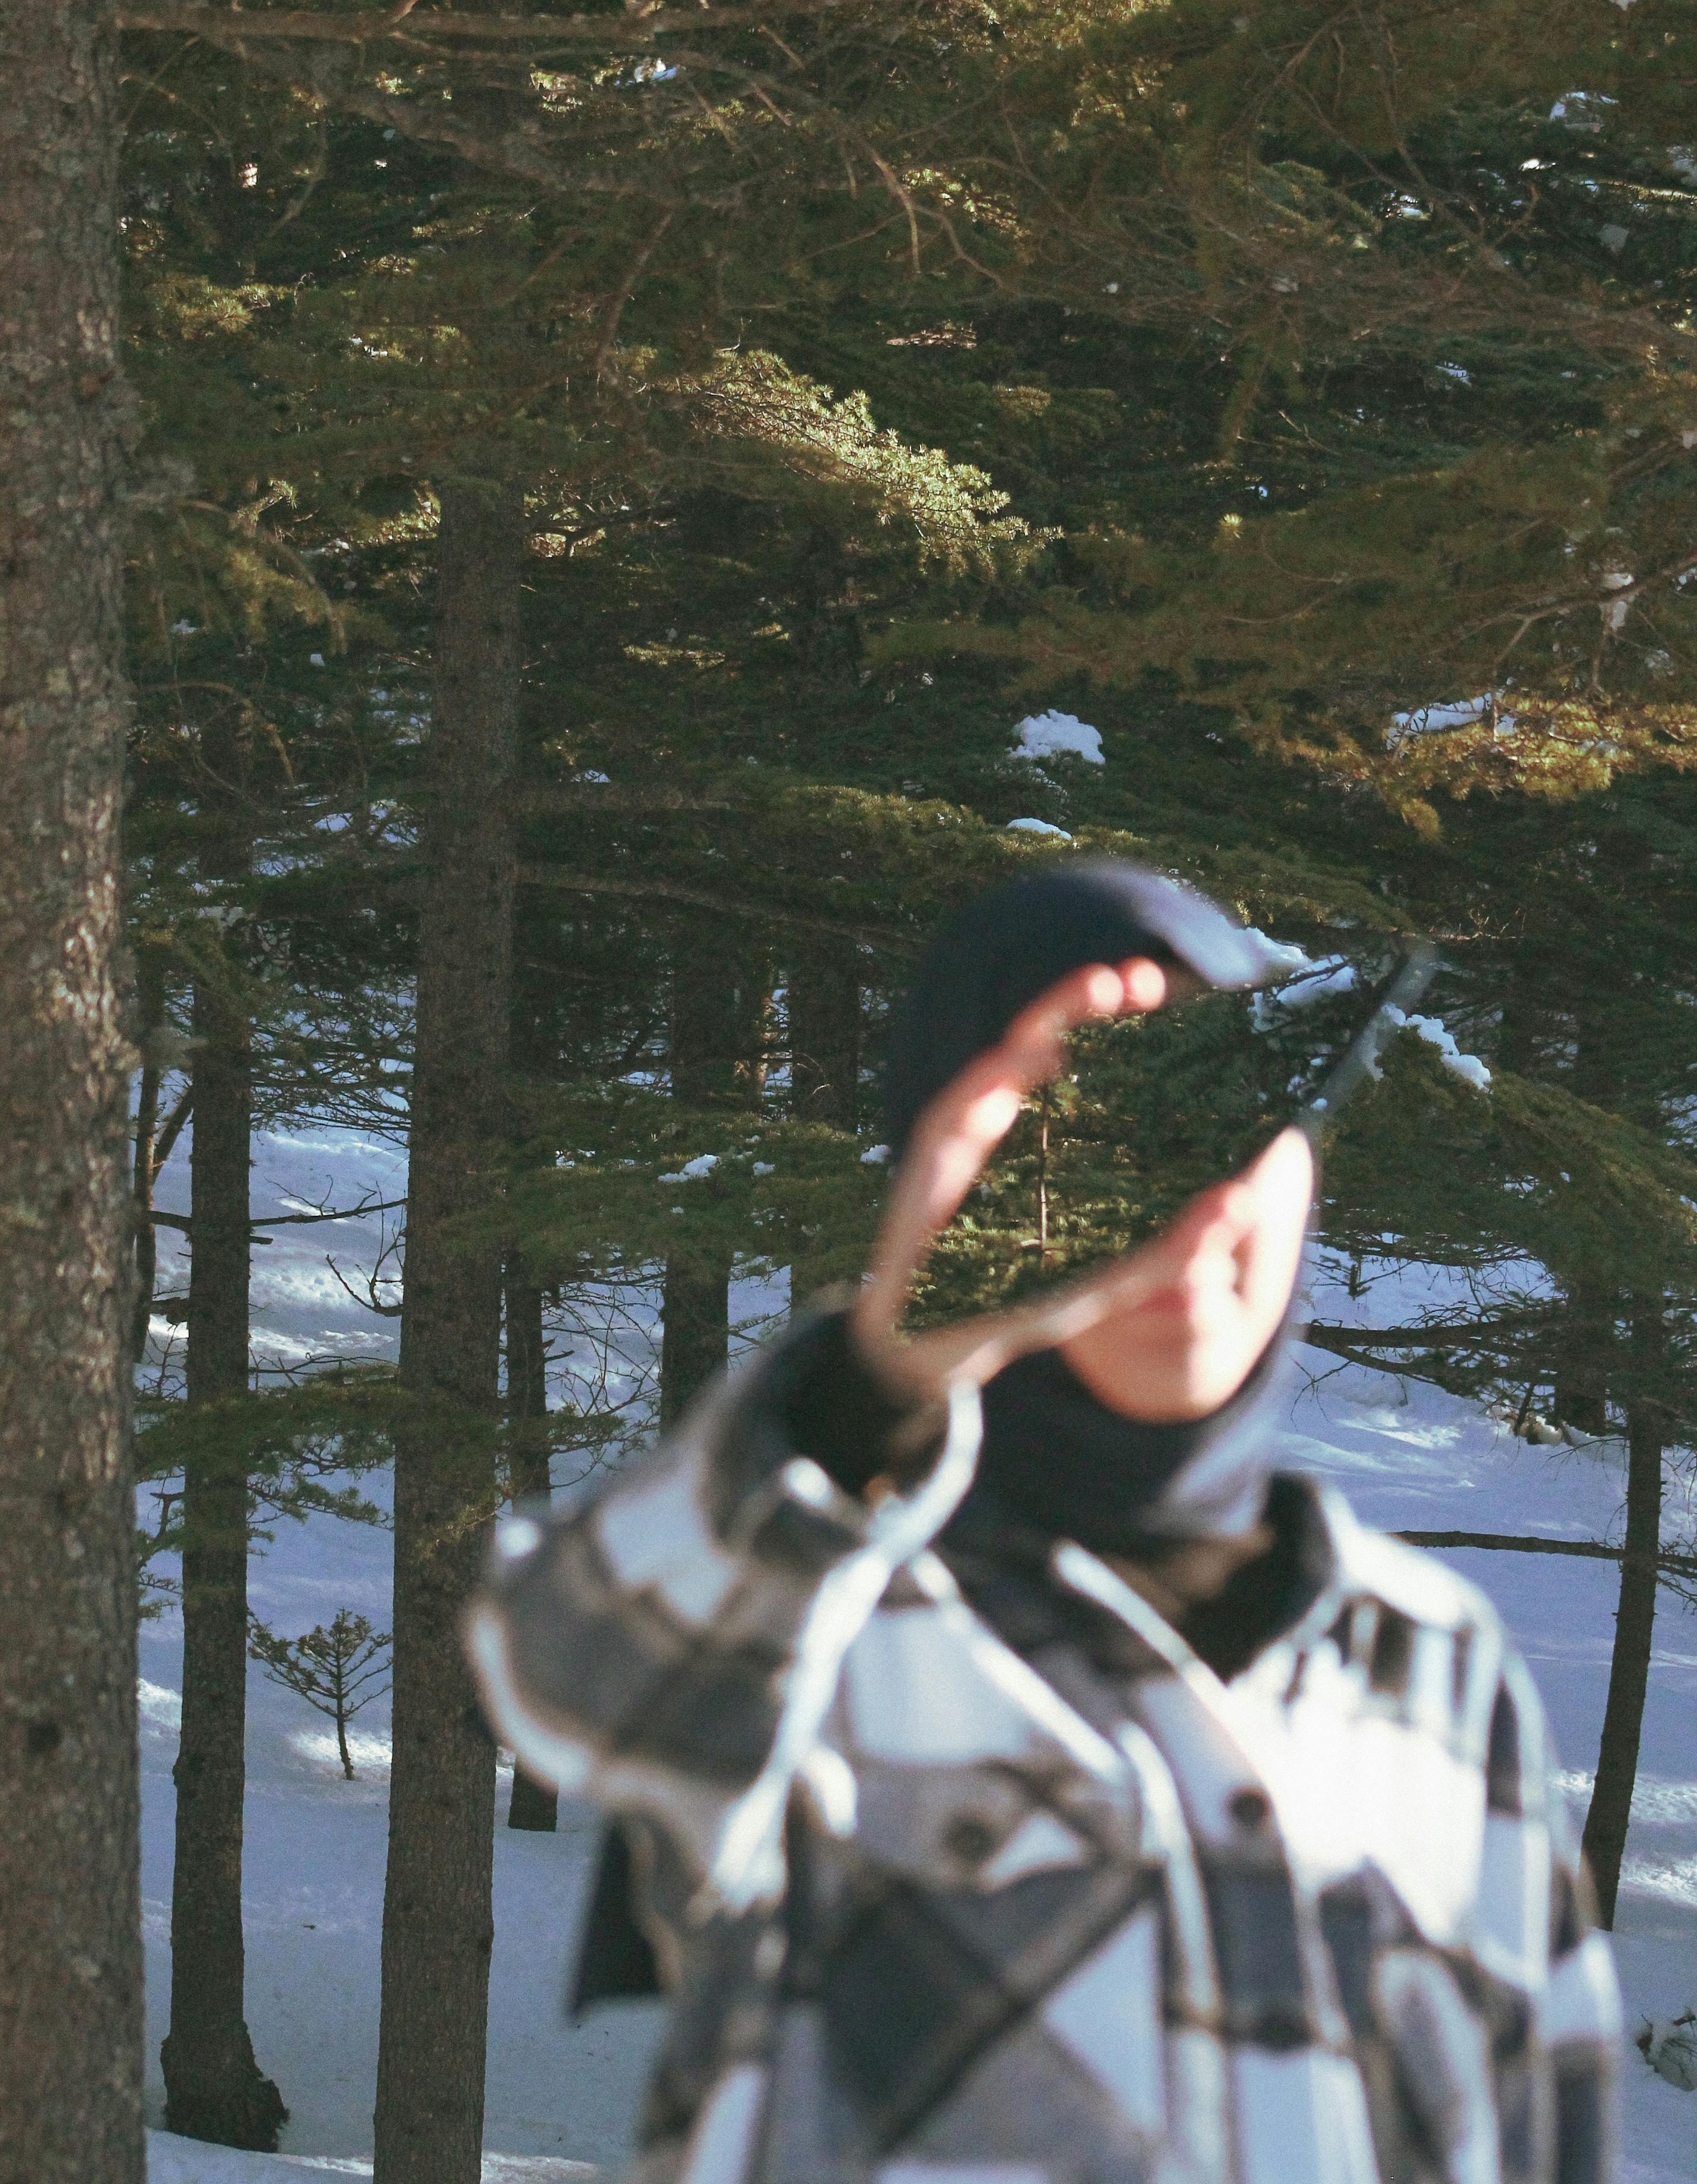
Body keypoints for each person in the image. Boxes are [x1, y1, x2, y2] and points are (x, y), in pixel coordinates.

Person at [468, 861, 1621, 2184]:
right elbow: (568, 1676)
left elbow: (1547, 2126)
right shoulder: (824, 1614)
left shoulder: (1429, 1658)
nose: (1191, 1212)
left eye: (1234, 1123)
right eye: (1080, 1129)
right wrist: (883, 1372)